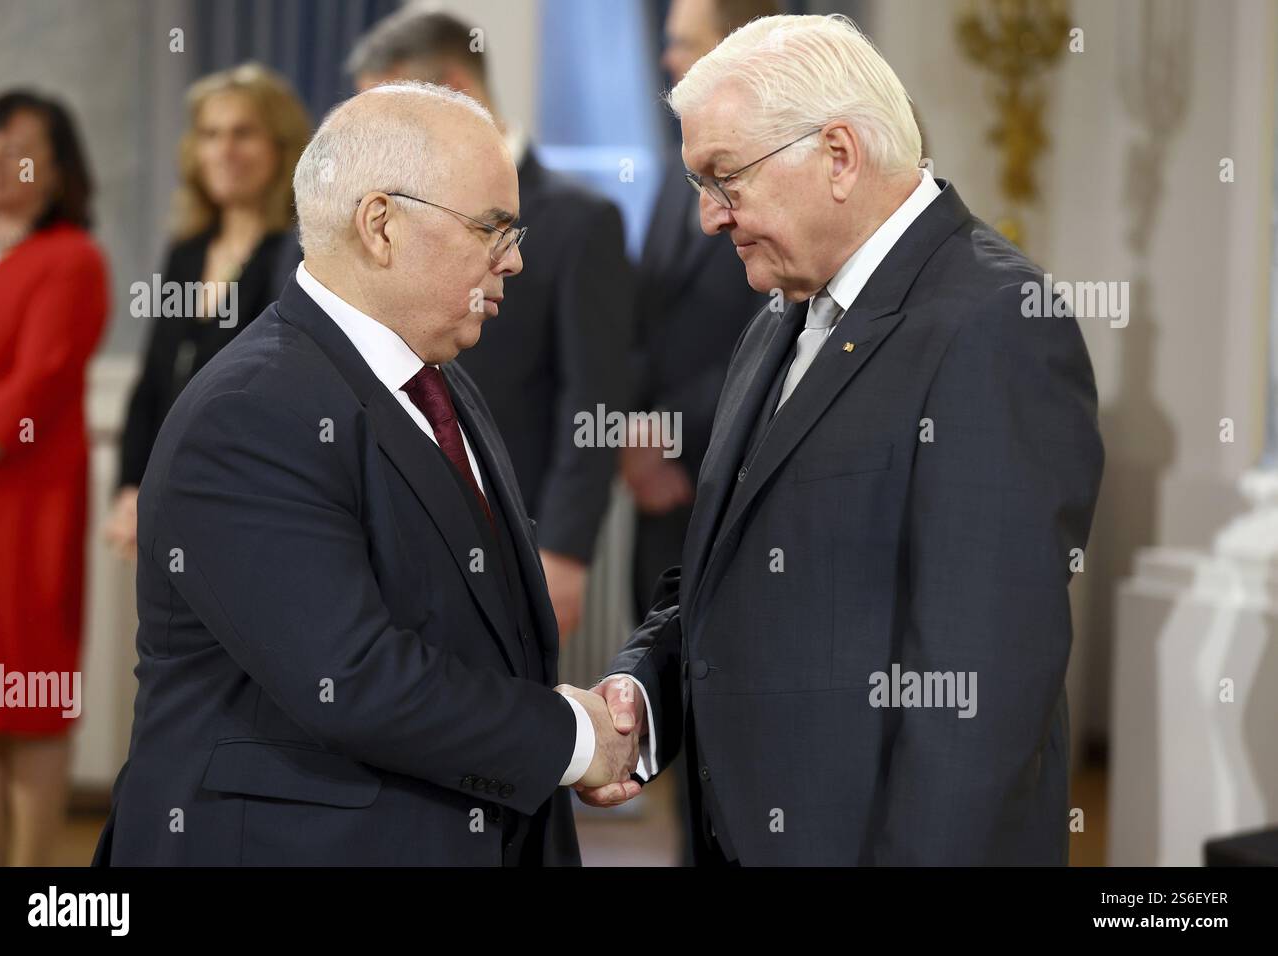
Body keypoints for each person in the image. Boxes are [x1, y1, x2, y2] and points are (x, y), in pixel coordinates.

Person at [576, 14, 1104, 866]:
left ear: (838, 155)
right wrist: (642, 691)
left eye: (723, 178)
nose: (709, 217)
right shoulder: (782, 312)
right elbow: (721, 573)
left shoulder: (995, 324)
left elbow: (979, 694)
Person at [93, 82, 637, 867]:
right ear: (380, 225)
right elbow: (354, 679)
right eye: (493, 228)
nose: (515, 258)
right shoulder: (251, 410)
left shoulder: (435, 379)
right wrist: (577, 739)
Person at [347, 9, 634, 641]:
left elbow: (595, 398)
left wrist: (563, 550)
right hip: (385, 535)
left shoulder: (579, 222)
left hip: (514, 536)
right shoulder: (374, 218)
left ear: (459, 88)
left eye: (387, 116)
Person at [103, 63, 309, 560]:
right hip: (169, 500)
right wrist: (130, 485)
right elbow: (152, 380)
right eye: (211, 134)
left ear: (281, 148)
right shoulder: (186, 253)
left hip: (252, 504)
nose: (224, 151)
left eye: (244, 133)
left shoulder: (298, 256)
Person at [0, 91, 108, 865]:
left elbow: (33, 388)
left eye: (20, 147)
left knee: (26, 702)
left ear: (58, 173)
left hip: (26, 513)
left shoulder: (71, 260)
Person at [626, 0, 780, 619]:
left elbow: (784, 332)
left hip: (739, 470)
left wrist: (663, 434)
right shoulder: (674, 171)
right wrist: (628, 435)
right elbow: (638, 317)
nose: (667, 58)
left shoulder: (778, 172)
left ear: (735, 49)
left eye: (684, 43)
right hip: (656, 482)